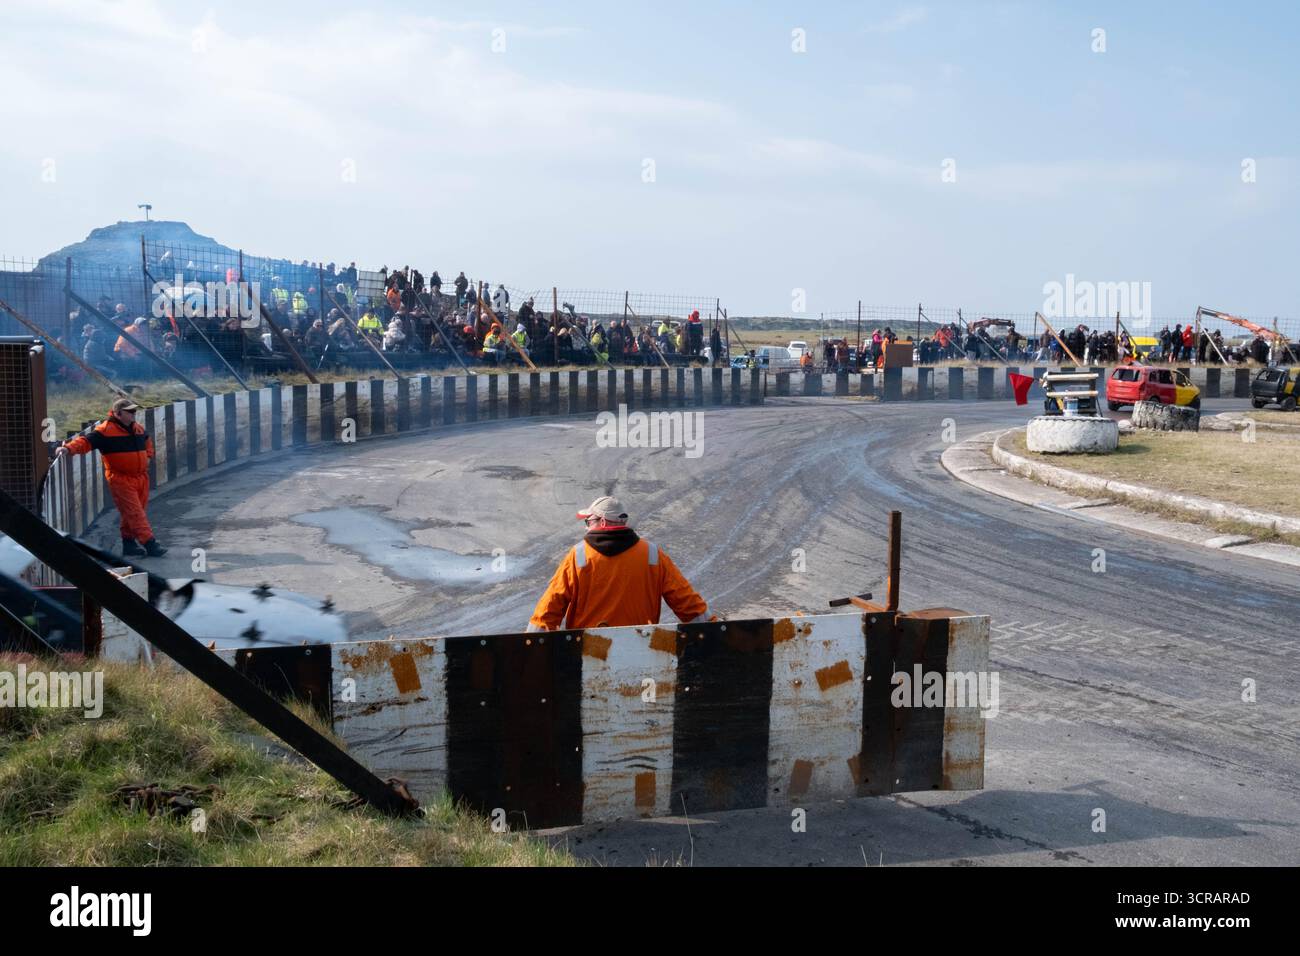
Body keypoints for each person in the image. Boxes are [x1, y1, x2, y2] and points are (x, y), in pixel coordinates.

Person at [528, 496, 709, 631]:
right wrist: (716, 633)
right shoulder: (652, 554)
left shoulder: (578, 556)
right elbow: (686, 602)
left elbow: (549, 609)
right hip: (642, 649)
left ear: (603, 522)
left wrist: (531, 648)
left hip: (587, 652)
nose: (586, 526)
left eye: (588, 521)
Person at [56, 398, 167, 557]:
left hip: (141, 478)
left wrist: (149, 456)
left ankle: (128, 545)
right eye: (130, 411)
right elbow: (84, 442)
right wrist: (67, 448)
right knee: (136, 513)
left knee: (134, 512)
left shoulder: (138, 429)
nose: (134, 414)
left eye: (134, 411)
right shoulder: (104, 430)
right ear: (118, 413)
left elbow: (148, 442)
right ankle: (150, 544)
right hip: (120, 479)